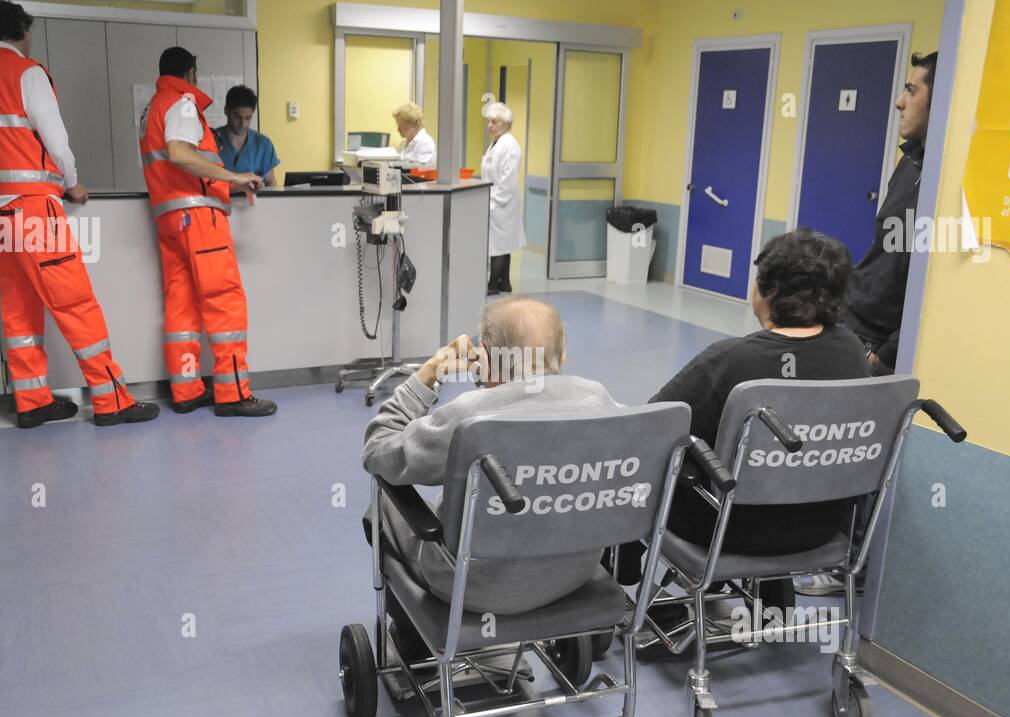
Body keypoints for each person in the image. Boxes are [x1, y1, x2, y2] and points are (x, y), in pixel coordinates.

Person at [611, 228, 871, 586]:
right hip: (823, 526)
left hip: (731, 528)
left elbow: (648, 429)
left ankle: (620, 581)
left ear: (768, 290)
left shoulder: (730, 360)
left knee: (638, 471)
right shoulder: (853, 352)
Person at [0, 0, 158, 429]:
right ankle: (111, 400)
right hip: (34, 207)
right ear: (21, 31)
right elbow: (56, 140)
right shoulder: (26, 72)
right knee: (76, 303)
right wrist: (72, 183)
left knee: (17, 308)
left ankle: (32, 402)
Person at [362, 296, 620, 615]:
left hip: (474, 588)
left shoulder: (470, 419)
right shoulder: (601, 403)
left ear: (483, 358)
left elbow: (377, 451)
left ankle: (415, 640)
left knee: (384, 504)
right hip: (575, 573)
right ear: (562, 354)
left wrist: (428, 373)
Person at [139, 47, 276, 417]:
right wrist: (234, 176)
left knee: (181, 306)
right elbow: (180, 154)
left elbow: (178, 170)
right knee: (225, 303)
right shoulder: (182, 102)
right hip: (200, 221)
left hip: (171, 220)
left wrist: (228, 186)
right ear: (191, 73)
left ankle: (186, 390)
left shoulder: (154, 106)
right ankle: (233, 395)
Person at [844, 50, 936, 376]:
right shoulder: (910, 162)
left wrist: (887, 355)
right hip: (853, 322)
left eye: (911, 91)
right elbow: (888, 254)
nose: (899, 102)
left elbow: (933, 284)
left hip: (879, 344)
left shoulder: (950, 180)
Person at [481, 102, 526, 295]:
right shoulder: (497, 142)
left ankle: (493, 285)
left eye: (494, 122)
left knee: (498, 244)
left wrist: (492, 202)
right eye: (489, 121)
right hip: (497, 200)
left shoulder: (509, 144)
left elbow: (507, 180)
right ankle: (504, 283)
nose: (490, 125)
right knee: (502, 242)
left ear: (505, 123)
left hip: (501, 202)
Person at [213, 85, 280, 186]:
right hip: (218, 201)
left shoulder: (263, 144)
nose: (243, 124)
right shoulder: (211, 140)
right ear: (226, 110)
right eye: (238, 117)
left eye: (248, 118)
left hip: (254, 201)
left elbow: (271, 182)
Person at [393, 101, 436, 167]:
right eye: (398, 125)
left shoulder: (425, 142)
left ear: (414, 123)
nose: (398, 129)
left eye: (402, 125)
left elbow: (418, 170)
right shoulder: (403, 142)